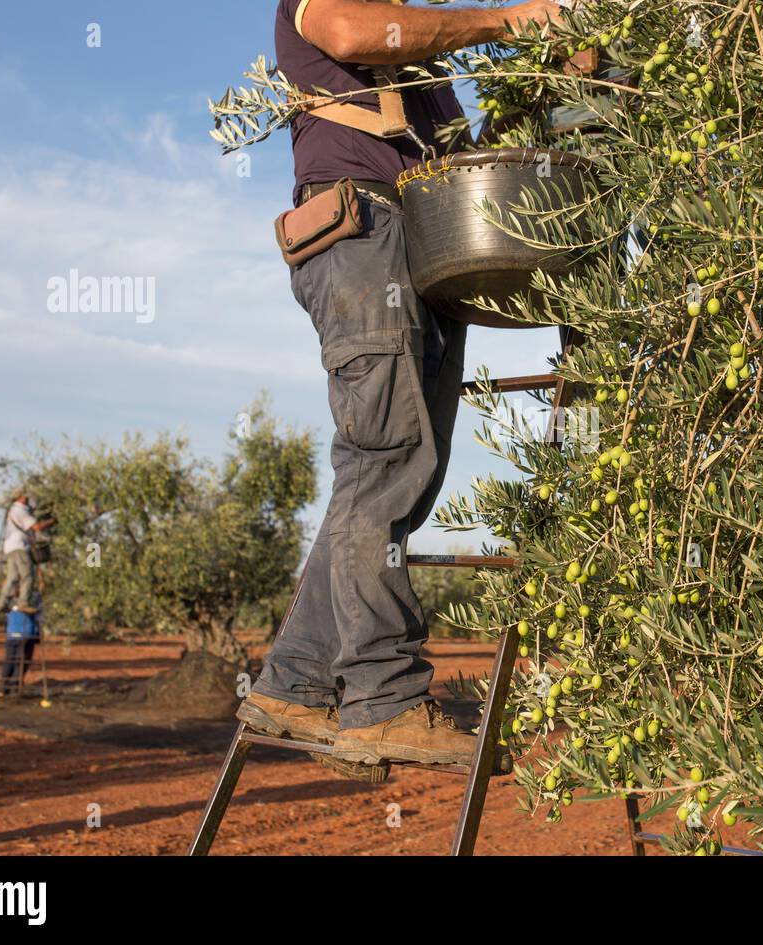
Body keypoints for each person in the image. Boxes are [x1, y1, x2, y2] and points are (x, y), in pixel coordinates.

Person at [236, 0, 560, 771]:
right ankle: (382, 700)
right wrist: (504, 24)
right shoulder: (335, 13)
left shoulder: (427, 66)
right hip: (362, 235)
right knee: (385, 462)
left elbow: (461, 160)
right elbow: (348, 33)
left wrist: (540, 90)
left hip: (418, 250)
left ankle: (295, 682)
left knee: (396, 468)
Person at [0, 488, 52, 618]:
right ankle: (23, 603)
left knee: (12, 578)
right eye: (27, 496)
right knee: (28, 575)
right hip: (20, 547)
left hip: (10, 547)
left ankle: (0, 605)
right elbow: (37, 527)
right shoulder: (20, 510)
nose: (29, 499)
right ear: (21, 497)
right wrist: (52, 521)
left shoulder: (14, 509)